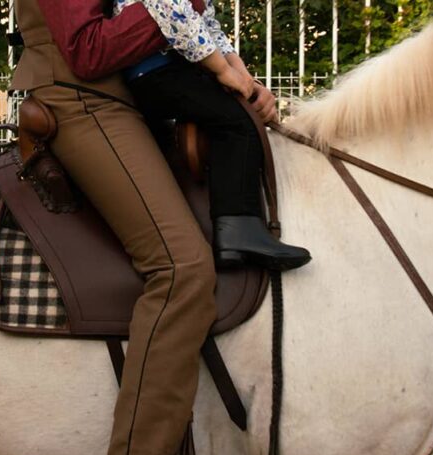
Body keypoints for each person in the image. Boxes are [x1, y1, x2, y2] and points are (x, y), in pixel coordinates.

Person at [10, 0, 276, 455]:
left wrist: (239, 76)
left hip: (132, 100)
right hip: (82, 99)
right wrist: (176, 8)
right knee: (181, 267)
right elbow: (88, 51)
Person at [116, 0, 310, 270]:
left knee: (235, 113)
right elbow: (172, 9)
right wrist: (221, 70)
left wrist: (241, 74)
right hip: (153, 66)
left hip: (170, 64)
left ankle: (237, 233)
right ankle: (237, 232)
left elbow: (208, 25)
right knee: (234, 123)